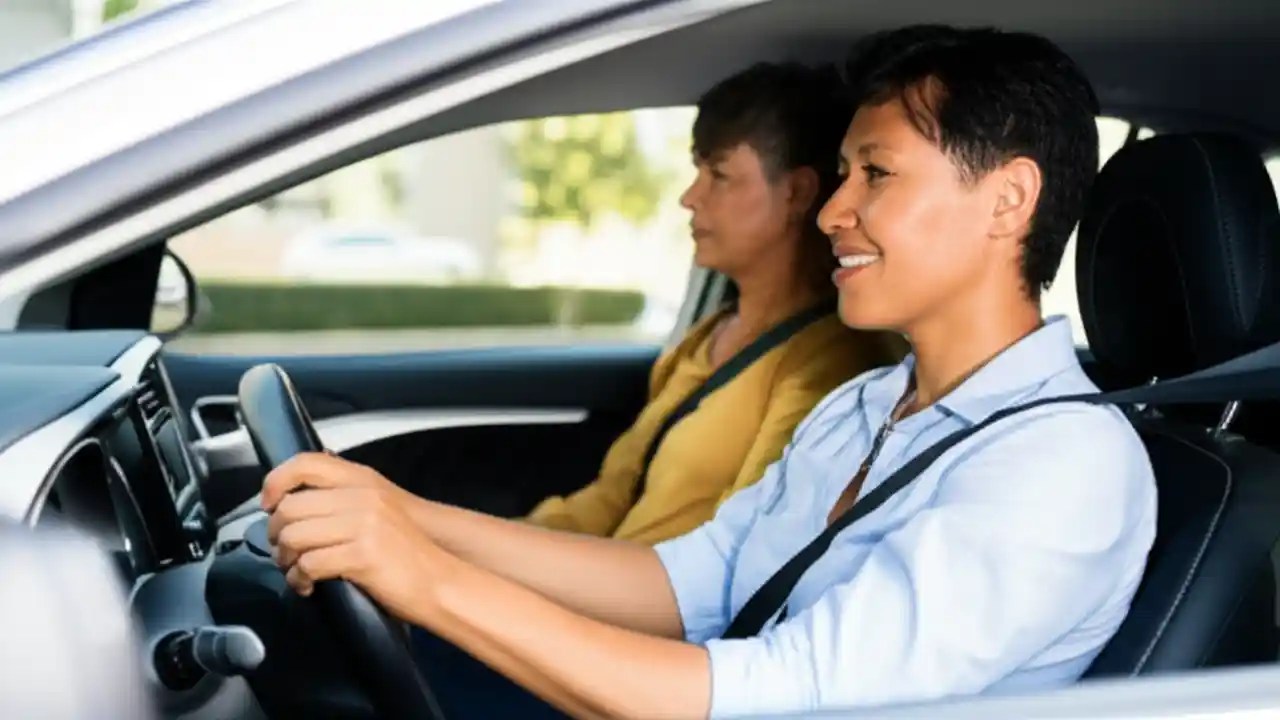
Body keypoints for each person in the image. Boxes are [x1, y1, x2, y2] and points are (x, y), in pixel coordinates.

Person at [261, 25, 1157, 719]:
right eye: (841, 173)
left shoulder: (1061, 466)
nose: (834, 210)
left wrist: (431, 583)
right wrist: (412, 523)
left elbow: (779, 695)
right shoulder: (870, 403)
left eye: (875, 173)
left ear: (1009, 200)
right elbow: (688, 584)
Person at [524, 63, 905, 544]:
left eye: (719, 175)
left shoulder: (828, 363)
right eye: (697, 172)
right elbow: (610, 497)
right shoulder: (708, 336)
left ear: (797, 193)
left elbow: (731, 562)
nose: (690, 197)